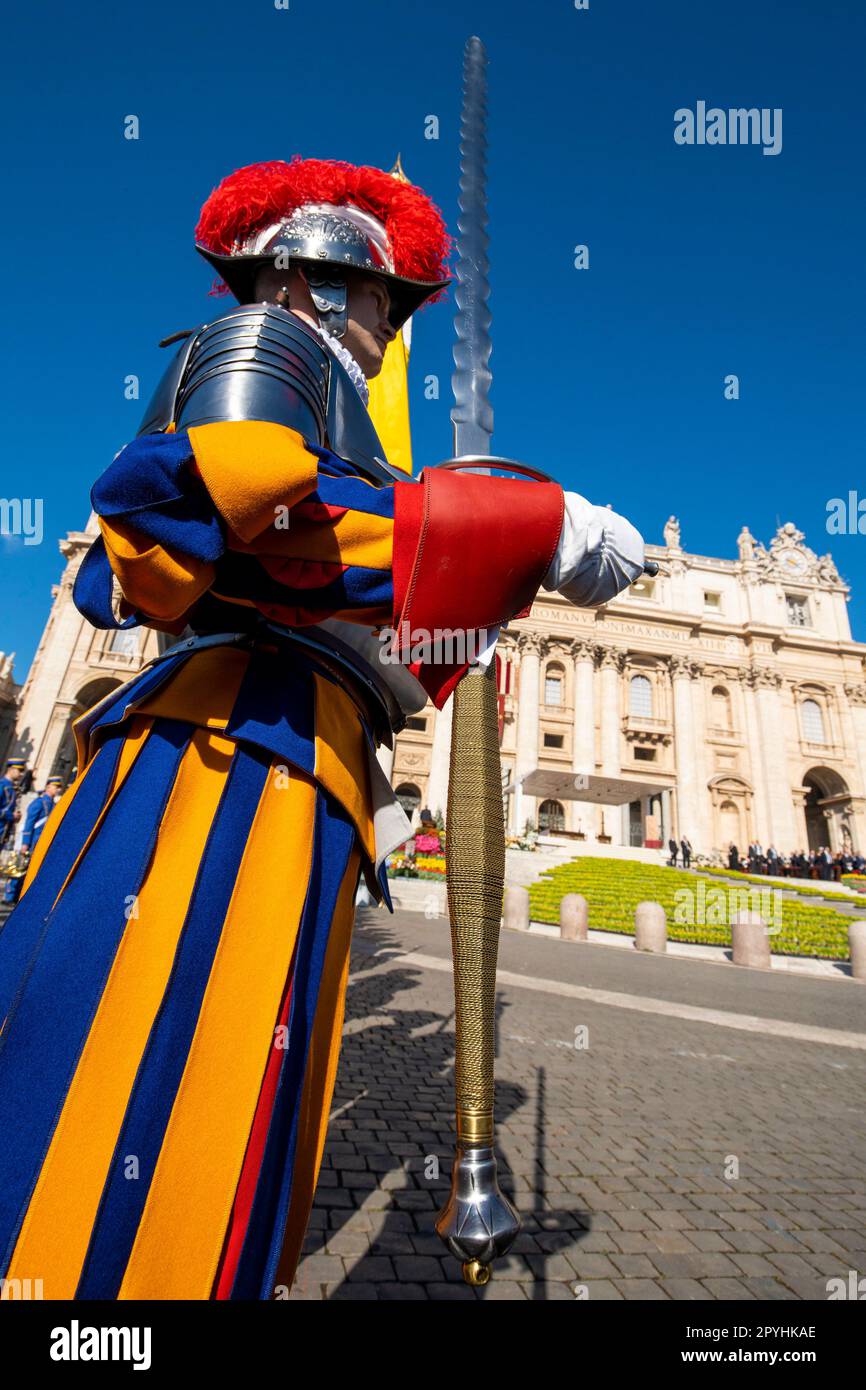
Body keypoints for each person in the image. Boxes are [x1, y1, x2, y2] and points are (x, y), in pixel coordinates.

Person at [0, 157, 644, 1301]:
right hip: (235, 747)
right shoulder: (269, 345)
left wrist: (463, 612)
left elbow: (354, 606)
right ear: (301, 281)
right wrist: (520, 524)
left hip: (302, 753)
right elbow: (242, 516)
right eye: (376, 304)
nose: (386, 334)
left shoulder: (322, 381)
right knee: (170, 1068)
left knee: (251, 1094)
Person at [2, 775, 63, 907]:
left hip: (41, 842)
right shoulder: (39, 803)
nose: (58, 790)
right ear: (48, 786)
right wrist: (25, 842)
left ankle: (18, 895)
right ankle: (9, 895)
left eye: (59, 787)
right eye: (55, 787)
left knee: (29, 870)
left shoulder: (53, 804)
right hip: (31, 840)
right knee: (19, 868)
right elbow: (29, 823)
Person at [0, 759, 27, 906]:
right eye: (19, 770)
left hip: (3, 832)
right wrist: (11, 816)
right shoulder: (2, 786)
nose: (21, 773)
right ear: (10, 769)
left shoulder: (12, 788)